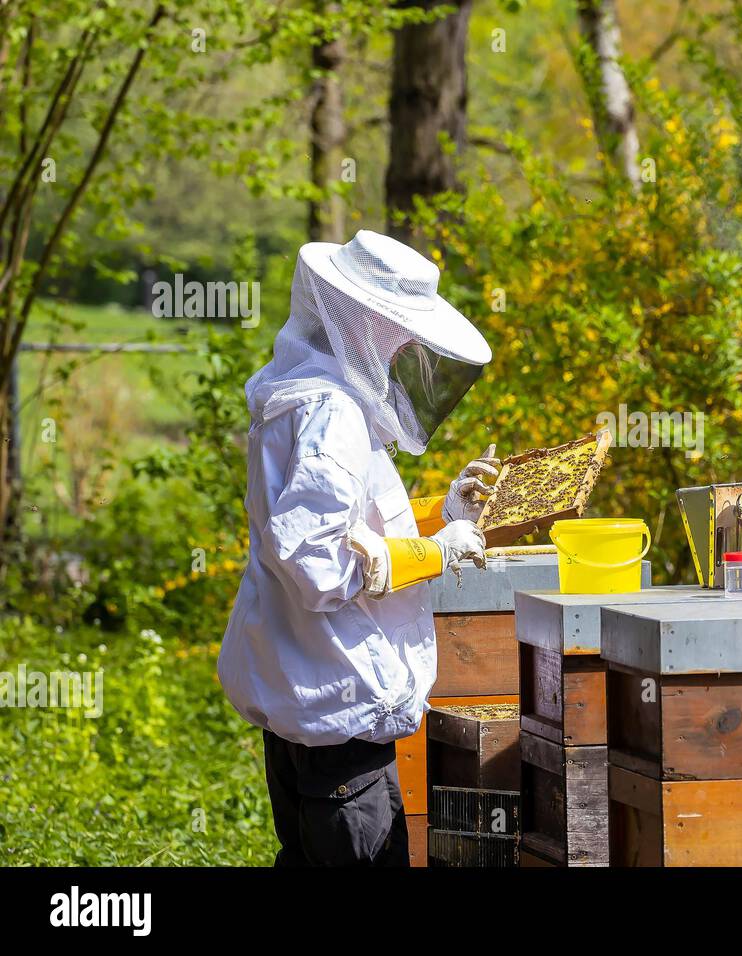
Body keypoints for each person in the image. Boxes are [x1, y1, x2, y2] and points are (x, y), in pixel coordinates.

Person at [218, 230, 499, 866]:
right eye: (399, 330)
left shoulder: (305, 395)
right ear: (367, 321)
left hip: (306, 701)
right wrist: (441, 552)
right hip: (338, 710)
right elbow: (320, 566)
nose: (404, 346)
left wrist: (443, 511)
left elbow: (351, 521)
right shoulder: (333, 414)